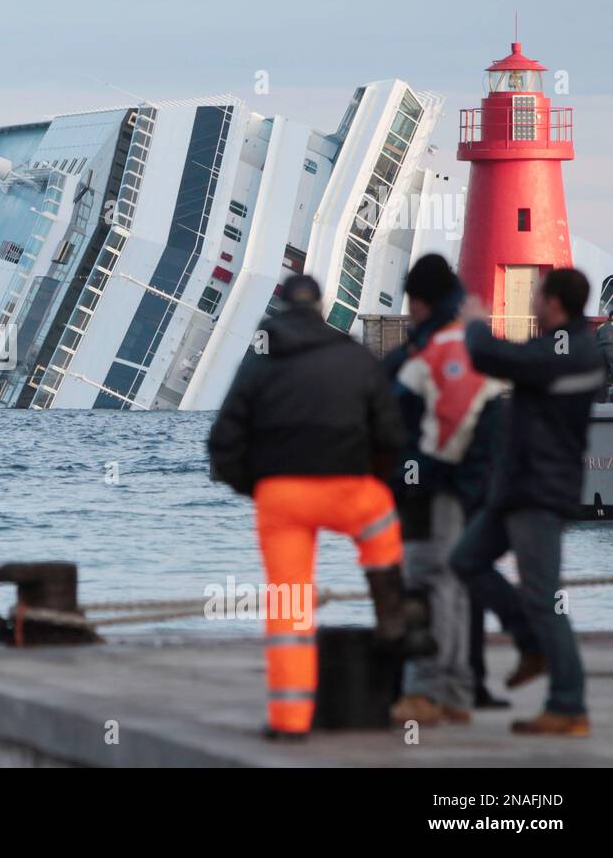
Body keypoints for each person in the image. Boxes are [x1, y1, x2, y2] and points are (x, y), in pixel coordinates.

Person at [208, 274, 422, 741]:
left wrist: (256, 487)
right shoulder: (354, 355)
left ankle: (290, 721)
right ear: (323, 309)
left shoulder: (260, 360)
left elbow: (223, 441)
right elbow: (391, 436)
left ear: (281, 308)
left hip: (281, 497)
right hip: (348, 489)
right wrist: (372, 475)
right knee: (383, 527)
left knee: (289, 605)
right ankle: (391, 611)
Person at [451, 268, 604, 736]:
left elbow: (493, 355)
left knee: (543, 598)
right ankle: (527, 640)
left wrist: (475, 321)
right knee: (466, 561)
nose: (531, 301)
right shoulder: (567, 349)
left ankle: (568, 704)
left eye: (537, 294)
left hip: (539, 492)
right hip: (514, 489)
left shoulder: (569, 352)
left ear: (554, 302)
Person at [383, 255, 504, 727]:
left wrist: (411, 476)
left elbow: (426, 426)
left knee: (430, 588)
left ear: (417, 301)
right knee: (452, 591)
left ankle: (425, 693)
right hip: (470, 487)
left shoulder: (435, 349)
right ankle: (454, 692)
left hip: (434, 490)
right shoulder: (473, 341)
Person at [596, 310, 613, 402]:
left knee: (603, 375)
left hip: (600, 352)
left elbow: (595, 339)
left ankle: (601, 398)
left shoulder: (600, 326)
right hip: (611, 350)